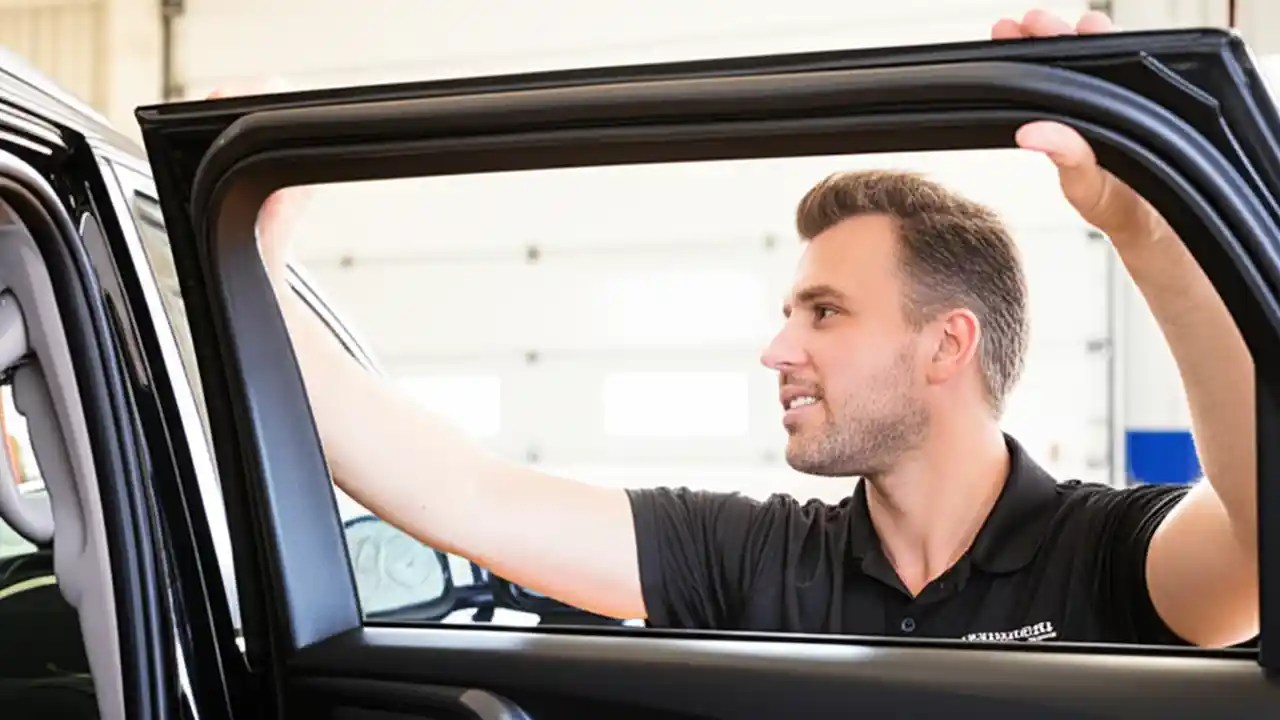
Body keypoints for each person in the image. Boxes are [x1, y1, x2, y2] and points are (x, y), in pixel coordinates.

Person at [248, 8, 1258, 647]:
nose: (778, 350)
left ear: (946, 344)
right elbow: (464, 497)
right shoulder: (754, 558)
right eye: (787, 314)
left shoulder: (1100, 554)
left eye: (823, 313)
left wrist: (1148, 231)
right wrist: (254, 276)